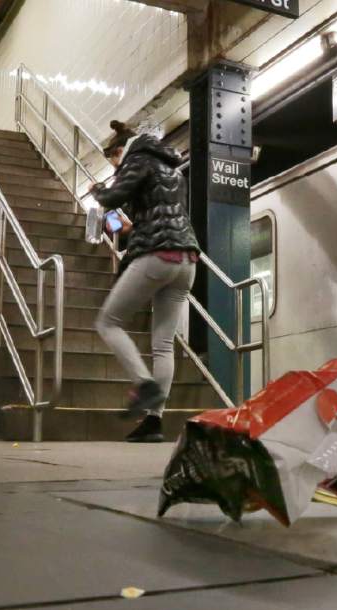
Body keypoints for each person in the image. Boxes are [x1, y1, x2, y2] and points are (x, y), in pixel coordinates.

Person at [91, 121, 201, 443]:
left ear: (121, 150)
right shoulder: (172, 168)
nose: (117, 166)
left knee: (108, 322)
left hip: (158, 254)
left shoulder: (138, 159)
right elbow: (153, 207)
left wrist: (97, 190)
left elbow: (112, 197)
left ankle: (144, 385)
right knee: (163, 344)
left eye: (114, 160)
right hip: (187, 258)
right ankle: (154, 422)